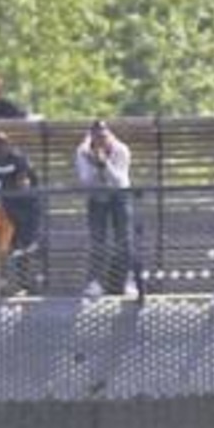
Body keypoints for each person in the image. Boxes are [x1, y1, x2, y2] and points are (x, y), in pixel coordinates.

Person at [76, 119, 134, 298]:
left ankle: (125, 281)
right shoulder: (83, 152)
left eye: (103, 137)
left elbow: (119, 181)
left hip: (119, 196)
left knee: (123, 238)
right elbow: (86, 181)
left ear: (109, 136)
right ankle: (95, 282)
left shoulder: (121, 150)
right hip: (97, 197)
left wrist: (104, 164)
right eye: (96, 139)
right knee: (97, 240)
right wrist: (95, 166)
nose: (100, 142)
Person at [0, 132, 43, 289]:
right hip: (6, 208)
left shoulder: (19, 158)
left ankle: (29, 281)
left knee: (28, 245)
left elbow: (26, 181)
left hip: (27, 208)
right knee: (10, 245)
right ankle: (10, 282)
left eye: (1, 144)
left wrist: (19, 184)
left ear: (8, 145)